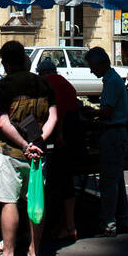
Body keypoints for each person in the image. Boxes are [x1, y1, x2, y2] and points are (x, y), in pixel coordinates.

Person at [0, 40, 57, 256]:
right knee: (35, 202)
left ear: (5, 62)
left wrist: (25, 145)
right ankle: (35, 251)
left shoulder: (3, 86)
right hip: (38, 155)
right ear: (25, 59)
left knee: (9, 202)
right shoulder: (43, 84)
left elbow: (2, 122)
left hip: (10, 152)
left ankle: (8, 255)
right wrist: (38, 142)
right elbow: (53, 117)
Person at [36, 56, 83, 243]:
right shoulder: (63, 81)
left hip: (66, 133)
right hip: (75, 131)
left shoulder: (50, 83)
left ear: (43, 73)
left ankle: (66, 226)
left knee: (60, 180)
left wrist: (60, 135)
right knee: (66, 180)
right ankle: (67, 224)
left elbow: (59, 110)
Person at [86, 46, 128, 237]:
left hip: (113, 133)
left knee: (109, 182)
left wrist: (93, 113)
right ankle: (122, 218)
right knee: (116, 180)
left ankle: (109, 224)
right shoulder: (111, 80)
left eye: (92, 66)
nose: (90, 70)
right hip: (115, 133)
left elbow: (107, 111)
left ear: (101, 64)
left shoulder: (112, 82)